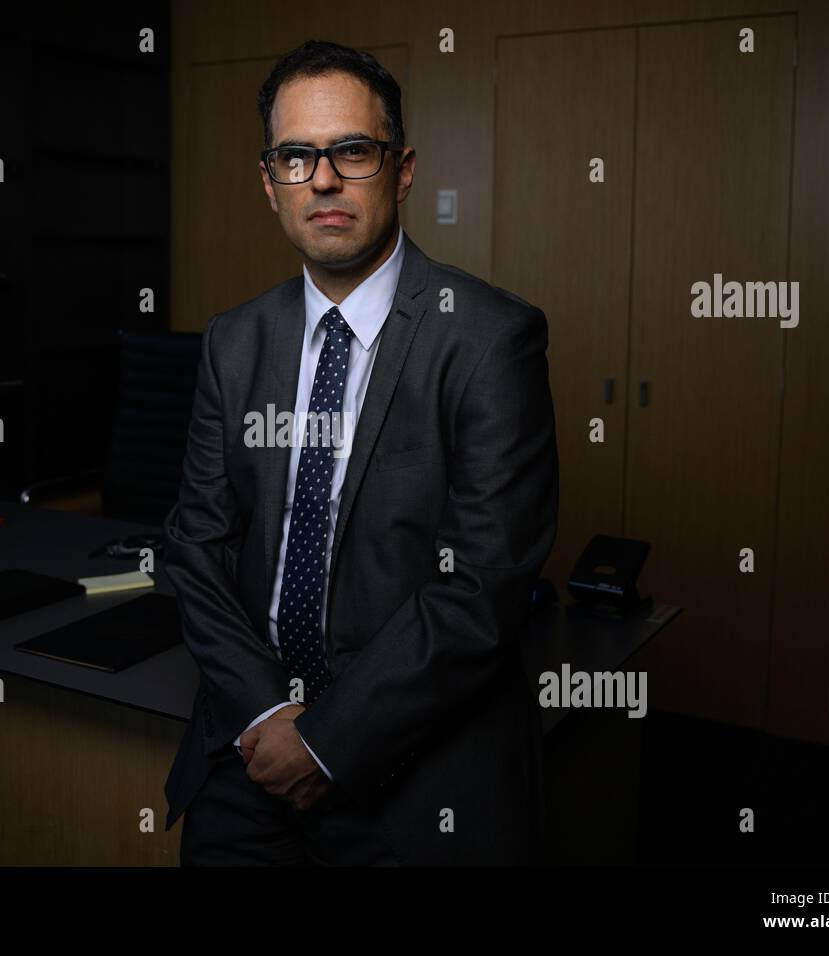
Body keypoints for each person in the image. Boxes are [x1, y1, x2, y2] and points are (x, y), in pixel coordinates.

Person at [162, 38, 558, 865]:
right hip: (251, 756)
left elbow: (483, 587)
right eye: (295, 156)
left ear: (401, 169)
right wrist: (270, 720)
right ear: (269, 182)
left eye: (352, 150)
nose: (325, 179)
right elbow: (195, 546)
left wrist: (328, 742)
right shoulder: (234, 342)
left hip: (417, 773)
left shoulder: (489, 339)